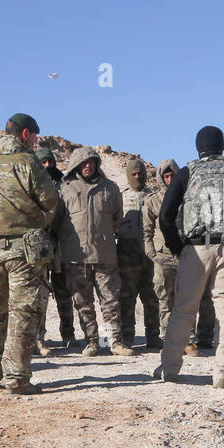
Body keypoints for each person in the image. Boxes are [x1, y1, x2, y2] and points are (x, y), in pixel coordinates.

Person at [154, 125, 224, 389]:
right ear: (222, 145)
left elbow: (165, 215)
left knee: (184, 309)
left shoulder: (189, 171)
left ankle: (169, 368)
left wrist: (178, 247)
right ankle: (222, 373)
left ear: (198, 147)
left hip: (197, 248)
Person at [0, 113, 60, 394]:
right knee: (23, 311)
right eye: (35, 136)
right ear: (25, 135)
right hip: (23, 251)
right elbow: (50, 200)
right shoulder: (27, 162)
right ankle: (17, 378)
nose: (36, 142)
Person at [54, 147, 134, 357]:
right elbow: (56, 221)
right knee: (83, 303)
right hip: (75, 257)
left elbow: (118, 219)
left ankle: (112, 342)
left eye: (92, 162)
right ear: (76, 165)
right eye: (84, 162)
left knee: (110, 301)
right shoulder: (65, 189)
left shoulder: (110, 189)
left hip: (105, 255)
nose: (89, 166)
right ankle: (91, 342)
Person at [34, 146, 76, 353]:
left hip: (61, 245)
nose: (48, 166)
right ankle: (39, 338)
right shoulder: (31, 184)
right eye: (43, 163)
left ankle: (68, 334)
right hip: (39, 245)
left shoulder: (65, 184)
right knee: (40, 293)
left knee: (64, 292)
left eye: (50, 162)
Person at [117, 160, 161, 350]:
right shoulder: (120, 197)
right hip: (126, 254)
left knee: (151, 297)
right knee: (126, 298)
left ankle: (153, 336)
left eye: (140, 173)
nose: (138, 177)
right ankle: (127, 337)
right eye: (133, 174)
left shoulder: (154, 197)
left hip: (149, 255)